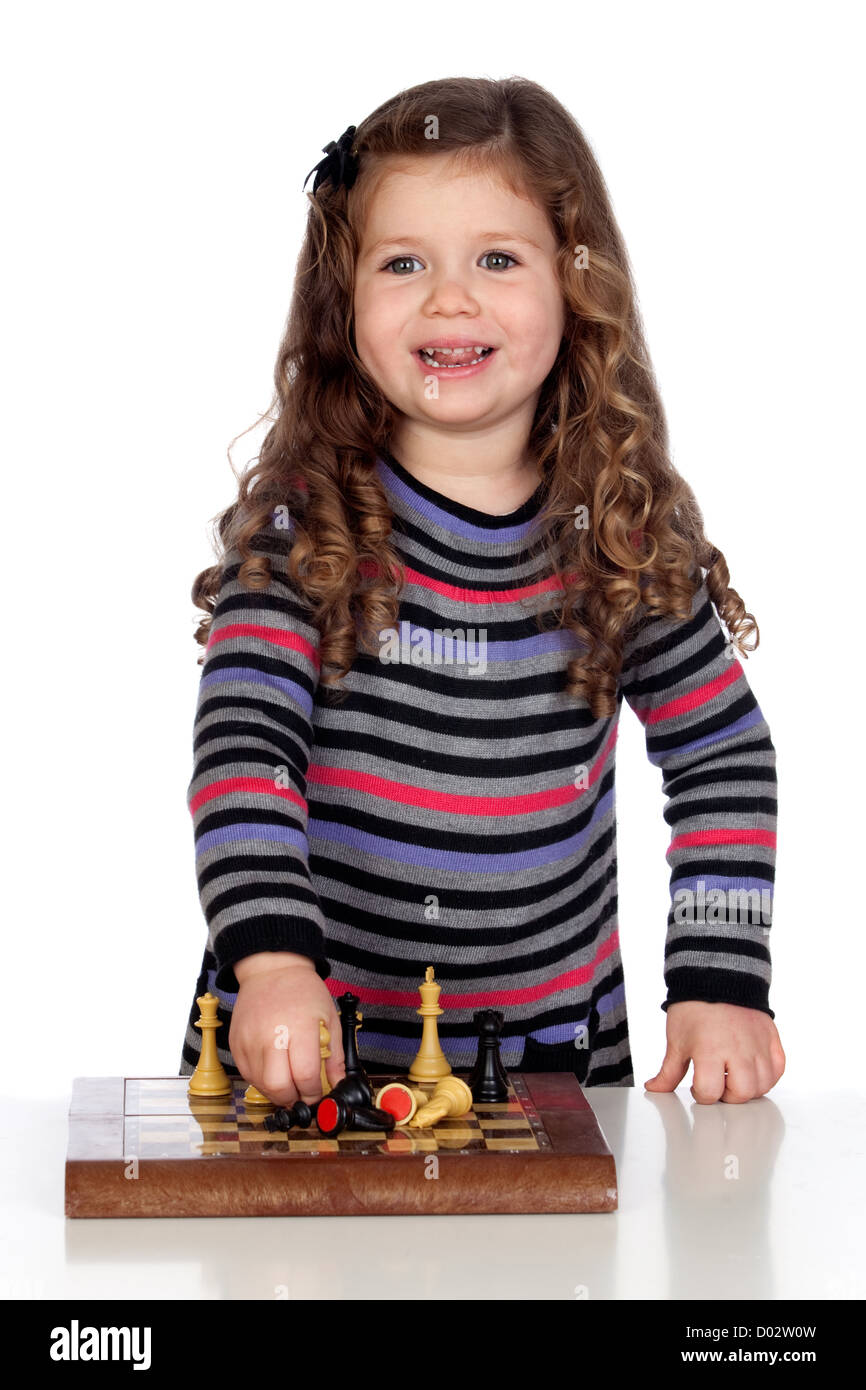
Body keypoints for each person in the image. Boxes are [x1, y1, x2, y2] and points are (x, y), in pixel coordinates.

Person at [179, 75, 784, 1110]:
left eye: (496, 260)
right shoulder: (301, 527)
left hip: (546, 1073)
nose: (447, 299)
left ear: (575, 286)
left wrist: (720, 976)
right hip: (317, 1065)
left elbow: (719, 753)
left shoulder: (622, 534)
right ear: (343, 298)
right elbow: (245, 749)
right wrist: (272, 964)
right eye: (402, 262)